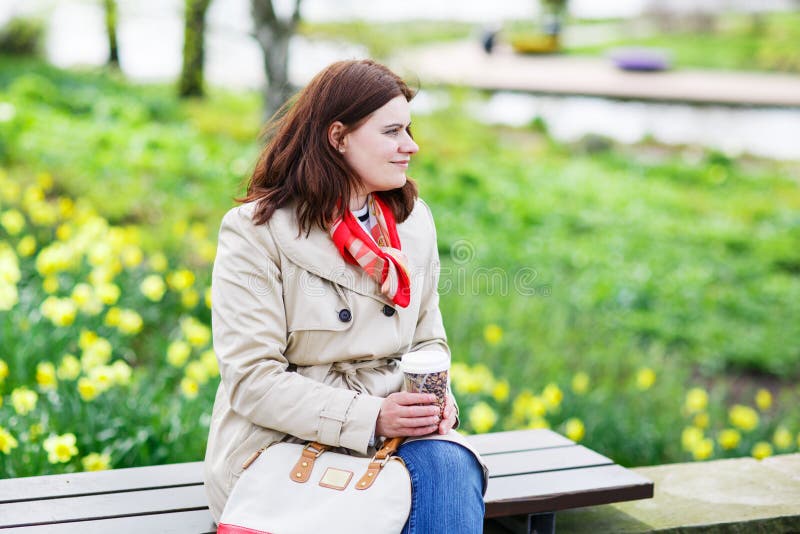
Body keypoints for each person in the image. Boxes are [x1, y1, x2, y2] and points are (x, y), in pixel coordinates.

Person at [204, 59, 488, 533]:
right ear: (338, 137)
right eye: (392, 131)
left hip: (391, 434)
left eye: (409, 129)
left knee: (452, 467)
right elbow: (252, 380)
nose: (410, 146)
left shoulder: (413, 224)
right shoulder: (256, 233)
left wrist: (434, 402)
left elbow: (428, 343)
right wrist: (374, 416)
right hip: (281, 446)